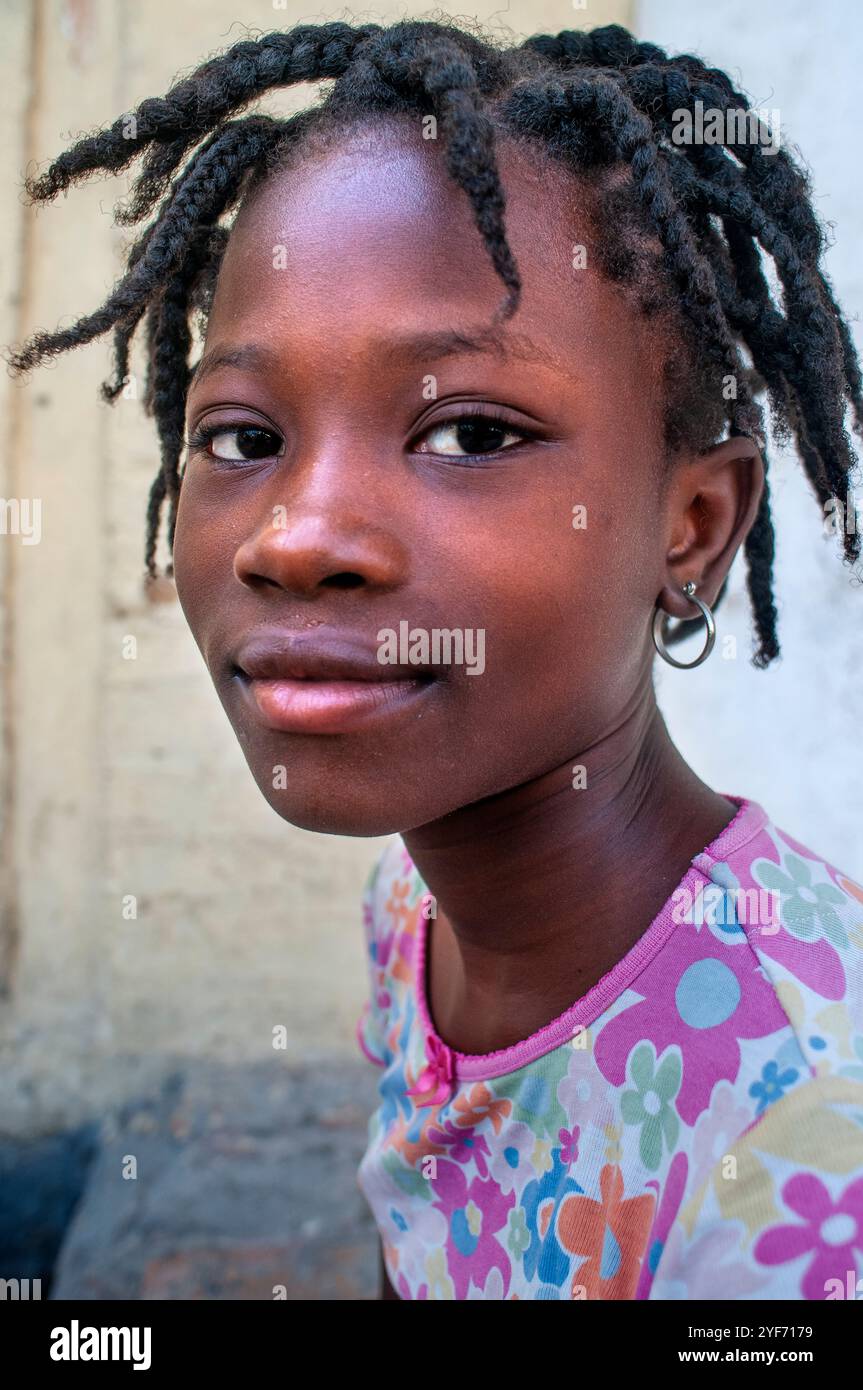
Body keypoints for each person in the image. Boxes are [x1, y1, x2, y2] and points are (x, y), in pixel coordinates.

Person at [8, 18, 863, 1301]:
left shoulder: (805, 1158)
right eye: (241, 438)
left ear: (688, 525)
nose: (297, 539)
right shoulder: (413, 909)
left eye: (468, 432)